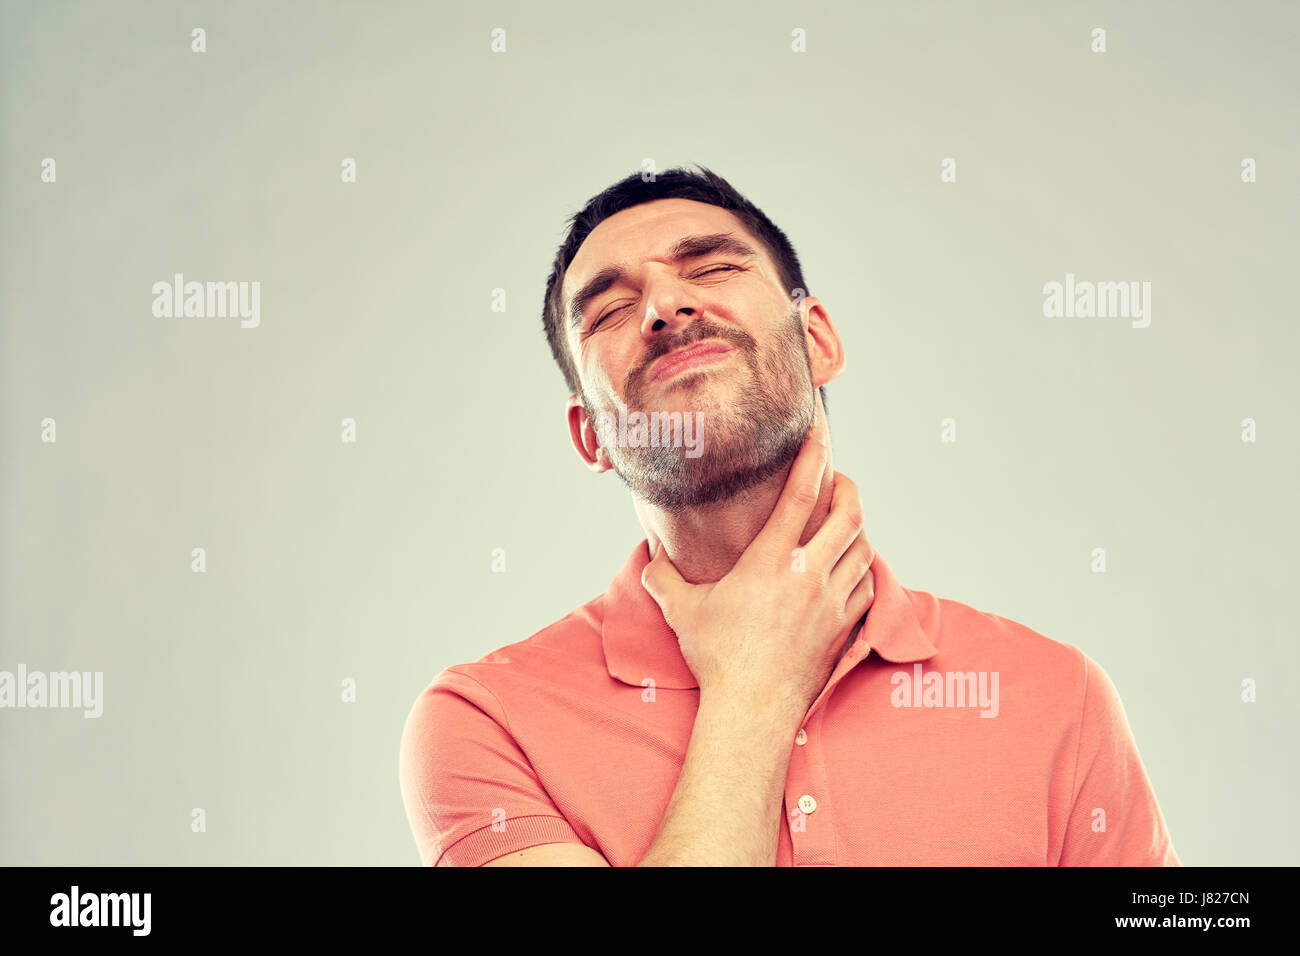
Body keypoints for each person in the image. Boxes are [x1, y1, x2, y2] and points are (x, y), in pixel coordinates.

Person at [399, 165, 1180, 866]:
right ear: (589, 436)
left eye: (709, 266)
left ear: (819, 342)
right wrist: (753, 684)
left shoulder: (1055, 696)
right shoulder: (483, 723)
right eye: (608, 310)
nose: (665, 305)